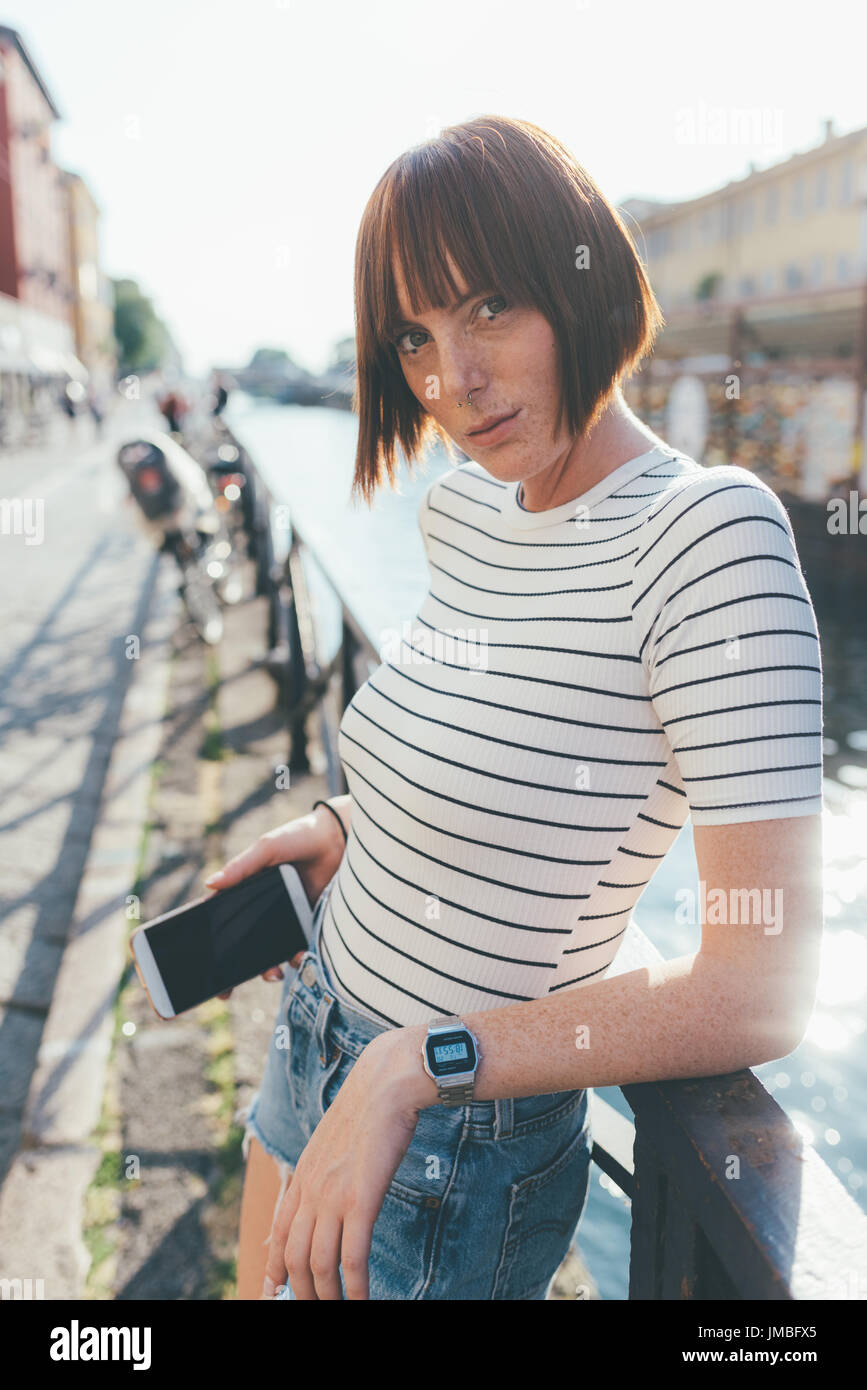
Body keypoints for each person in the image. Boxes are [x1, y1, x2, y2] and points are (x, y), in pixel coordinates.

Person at [206, 116, 824, 1301]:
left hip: (446, 1136)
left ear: (578, 277)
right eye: (414, 337)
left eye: (490, 306)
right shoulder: (470, 512)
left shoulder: (706, 537)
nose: (453, 380)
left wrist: (422, 1066)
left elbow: (760, 987)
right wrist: (350, 827)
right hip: (319, 1024)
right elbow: (474, 746)